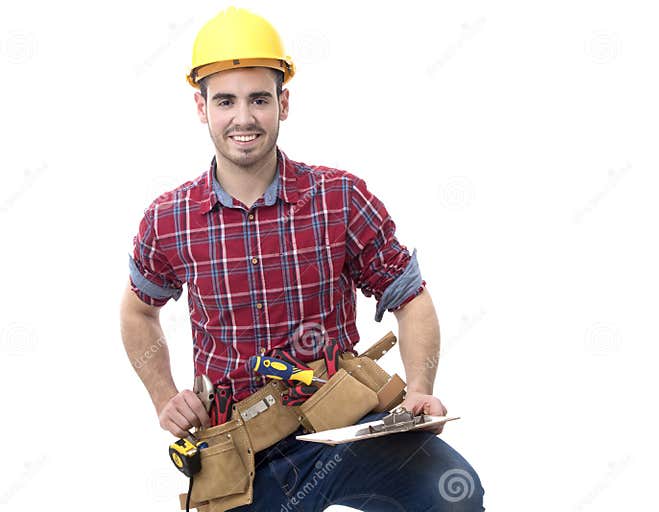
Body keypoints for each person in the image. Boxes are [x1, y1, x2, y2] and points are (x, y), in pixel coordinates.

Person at [120, 7, 484, 511]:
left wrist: (420, 389)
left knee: (452, 496)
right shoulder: (169, 220)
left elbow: (411, 296)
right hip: (240, 453)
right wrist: (165, 397)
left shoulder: (339, 198)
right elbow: (138, 310)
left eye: (259, 100)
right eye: (225, 100)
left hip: (347, 427)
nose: (243, 118)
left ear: (283, 103)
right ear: (201, 107)